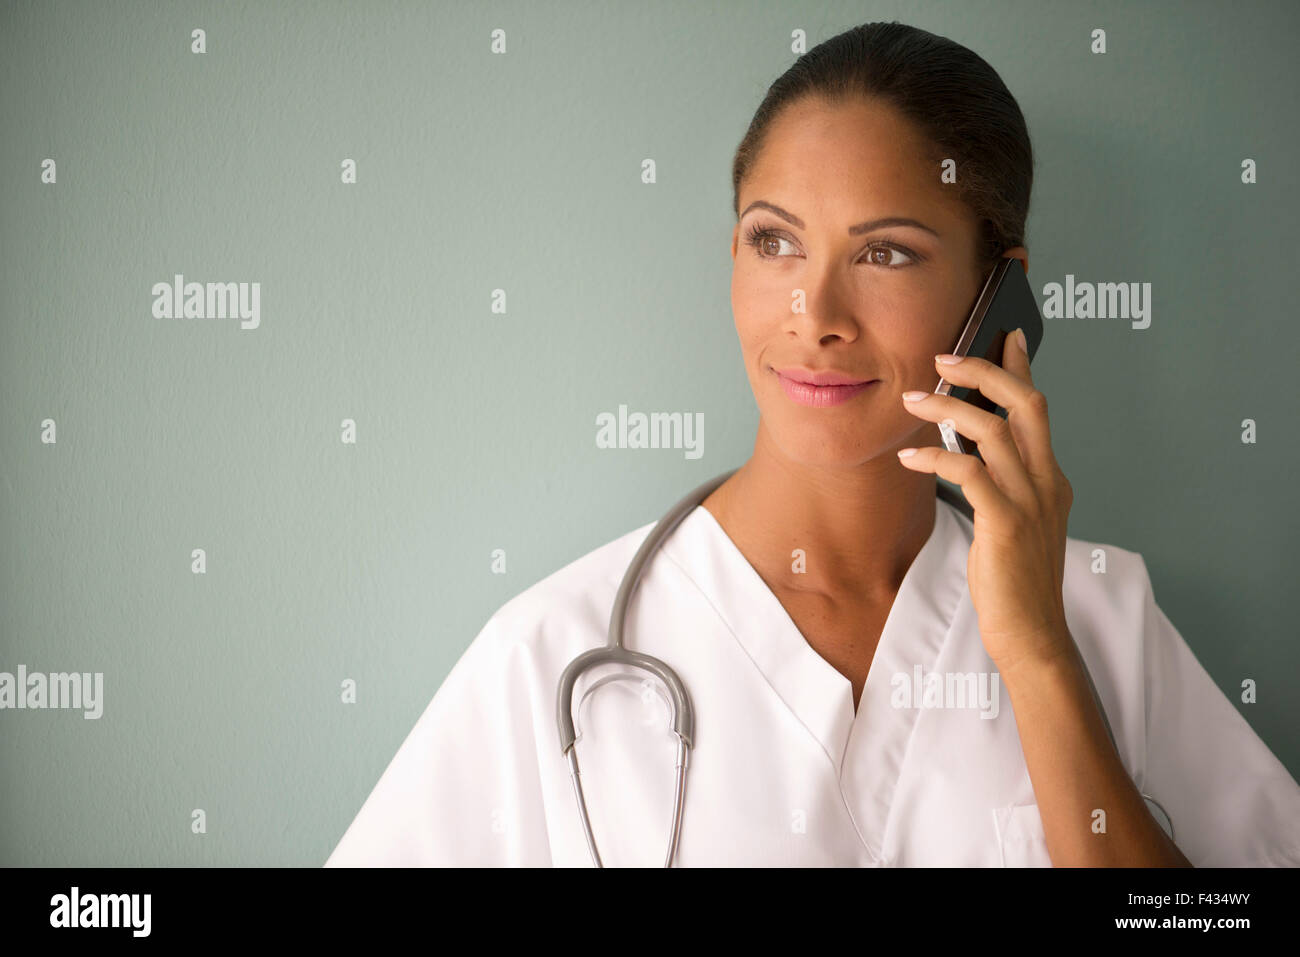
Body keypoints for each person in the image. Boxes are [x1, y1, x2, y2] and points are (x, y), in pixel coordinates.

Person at [325, 21, 1300, 867]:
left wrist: (1037, 654)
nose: (813, 314)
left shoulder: (1101, 616)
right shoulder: (551, 655)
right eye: (774, 241)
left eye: (884, 253)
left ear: (996, 296)